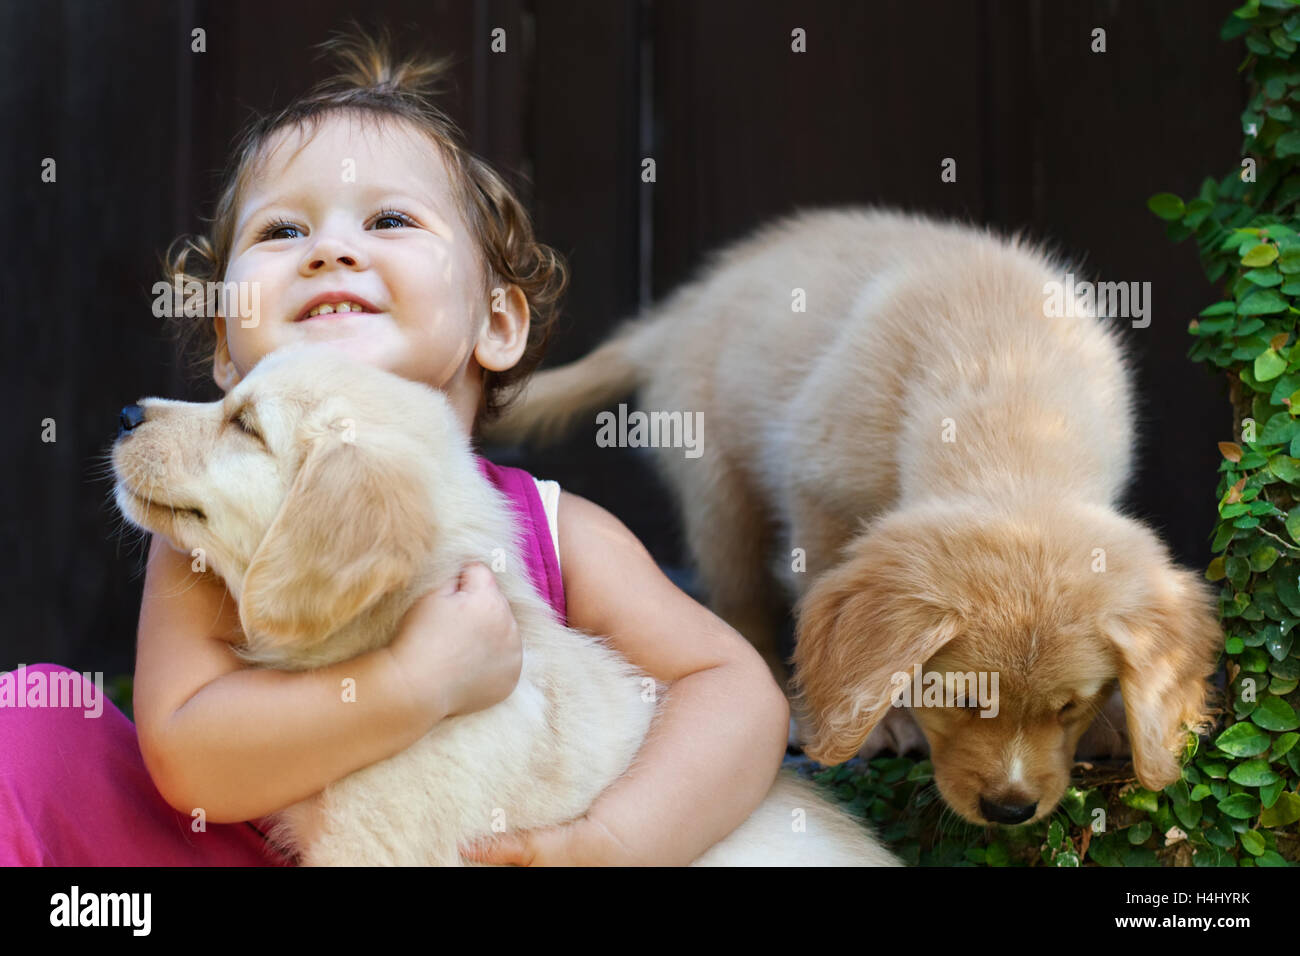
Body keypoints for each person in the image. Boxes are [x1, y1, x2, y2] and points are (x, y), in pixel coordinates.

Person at [0, 28, 789, 866]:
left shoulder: (557, 533)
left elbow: (735, 690)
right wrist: (415, 684)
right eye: (280, 232)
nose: (331, 250)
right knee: (33, 721)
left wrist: (614, 840)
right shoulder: (197, 532)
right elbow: (192, 765)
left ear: (497, 321)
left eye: (388, 219)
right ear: (229, 345)